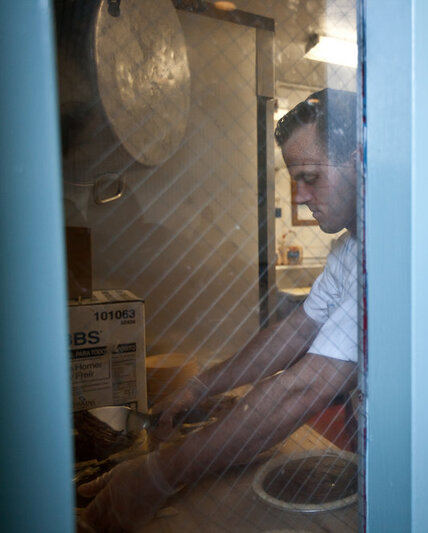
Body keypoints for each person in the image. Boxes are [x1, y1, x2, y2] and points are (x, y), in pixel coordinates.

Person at [78, 88, 360, 533]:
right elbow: (296, 330)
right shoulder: (349, 250)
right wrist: (202, 384)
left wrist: (155, 478)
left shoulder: (388, 252)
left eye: (310, 176)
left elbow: (300, 390)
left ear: (357, 158)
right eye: (294, 180)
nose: (301, 196)